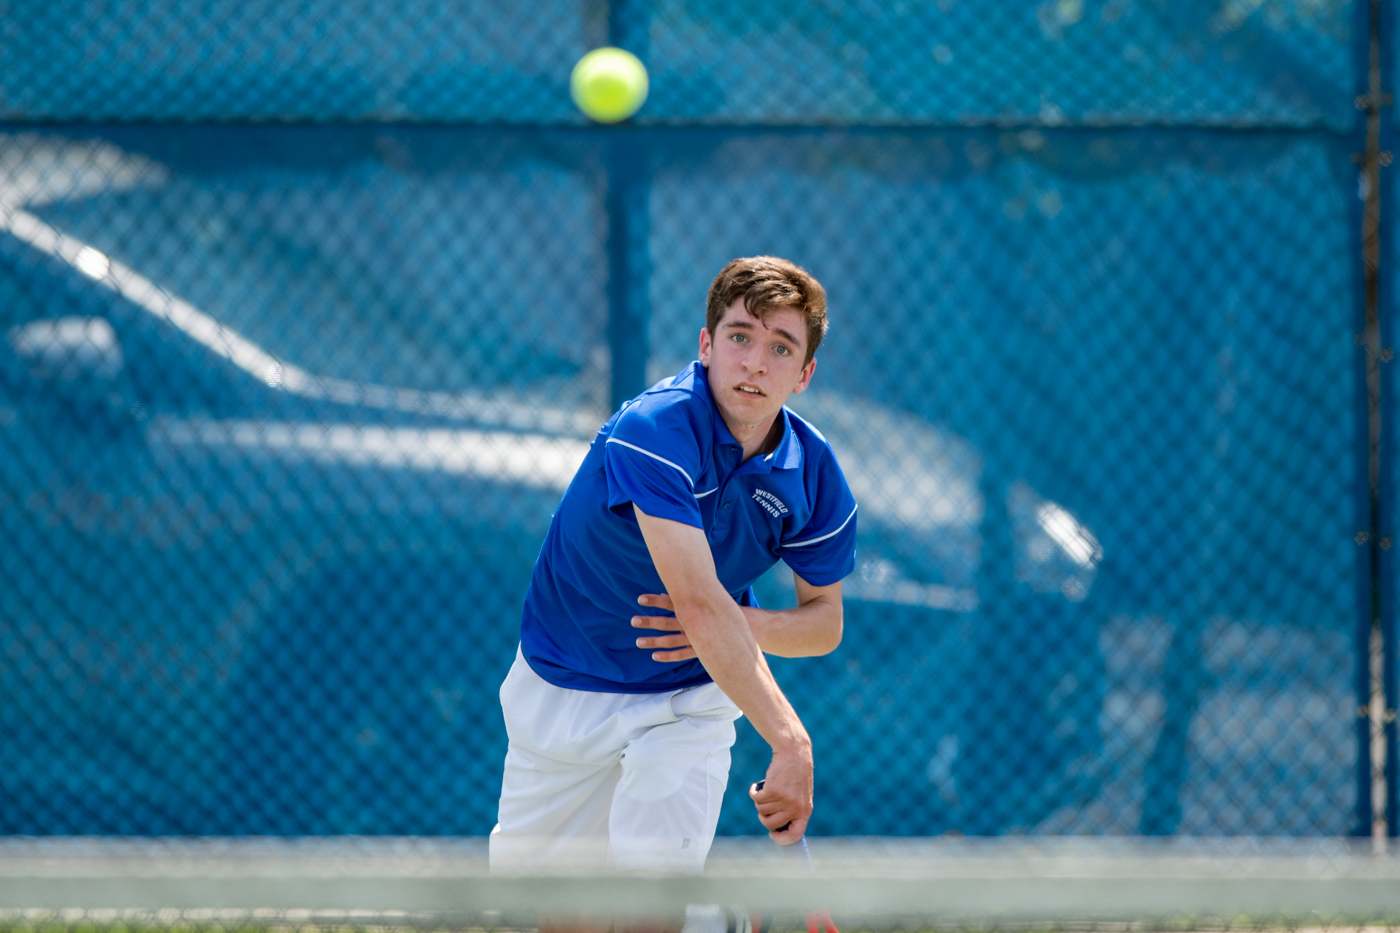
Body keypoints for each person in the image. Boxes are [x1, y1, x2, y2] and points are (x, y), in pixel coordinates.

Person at [489, 256, 858, 893]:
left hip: (688, 702)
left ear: (804, 375)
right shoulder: (653, 429)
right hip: (563, 686)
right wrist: (792, 742)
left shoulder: (815, 472)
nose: (754, 362)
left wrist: (745, 624)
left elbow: (824, 623)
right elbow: (697, 604)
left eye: (780, 347)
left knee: (648, 901)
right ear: (707, 346)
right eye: (740, 337)